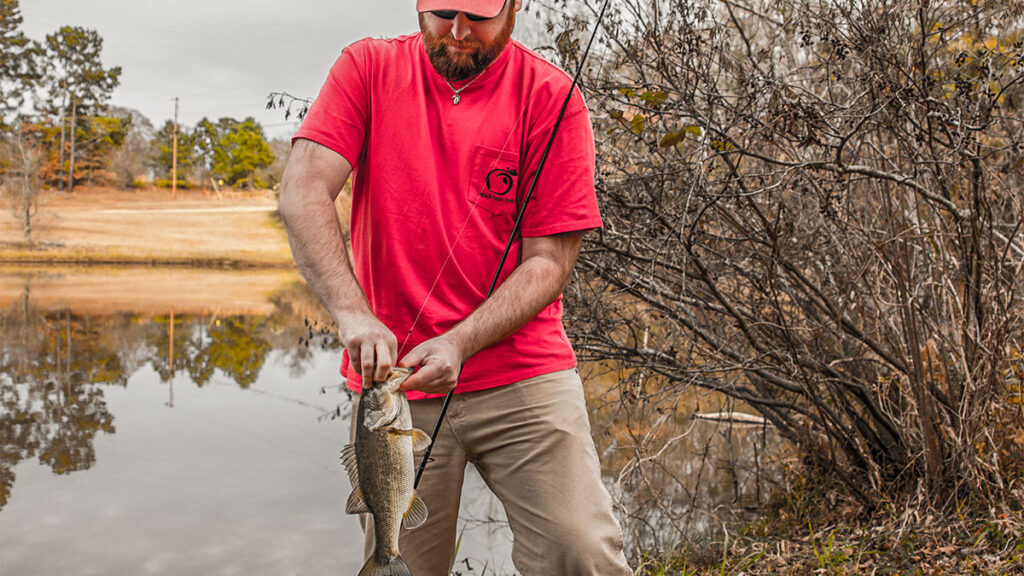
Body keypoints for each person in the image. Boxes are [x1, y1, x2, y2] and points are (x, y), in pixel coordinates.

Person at [278, 0, 632, 573]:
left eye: (479, 14)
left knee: (582, 552)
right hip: (392, 391)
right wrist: (354, 315)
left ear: (513, 7)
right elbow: (302, 191)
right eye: (442, 12)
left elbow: (549, 261)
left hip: (523, 371)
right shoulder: (366, 69)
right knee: (400, 564)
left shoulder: (551, 97)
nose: (459, 30)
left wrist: (459, 342)